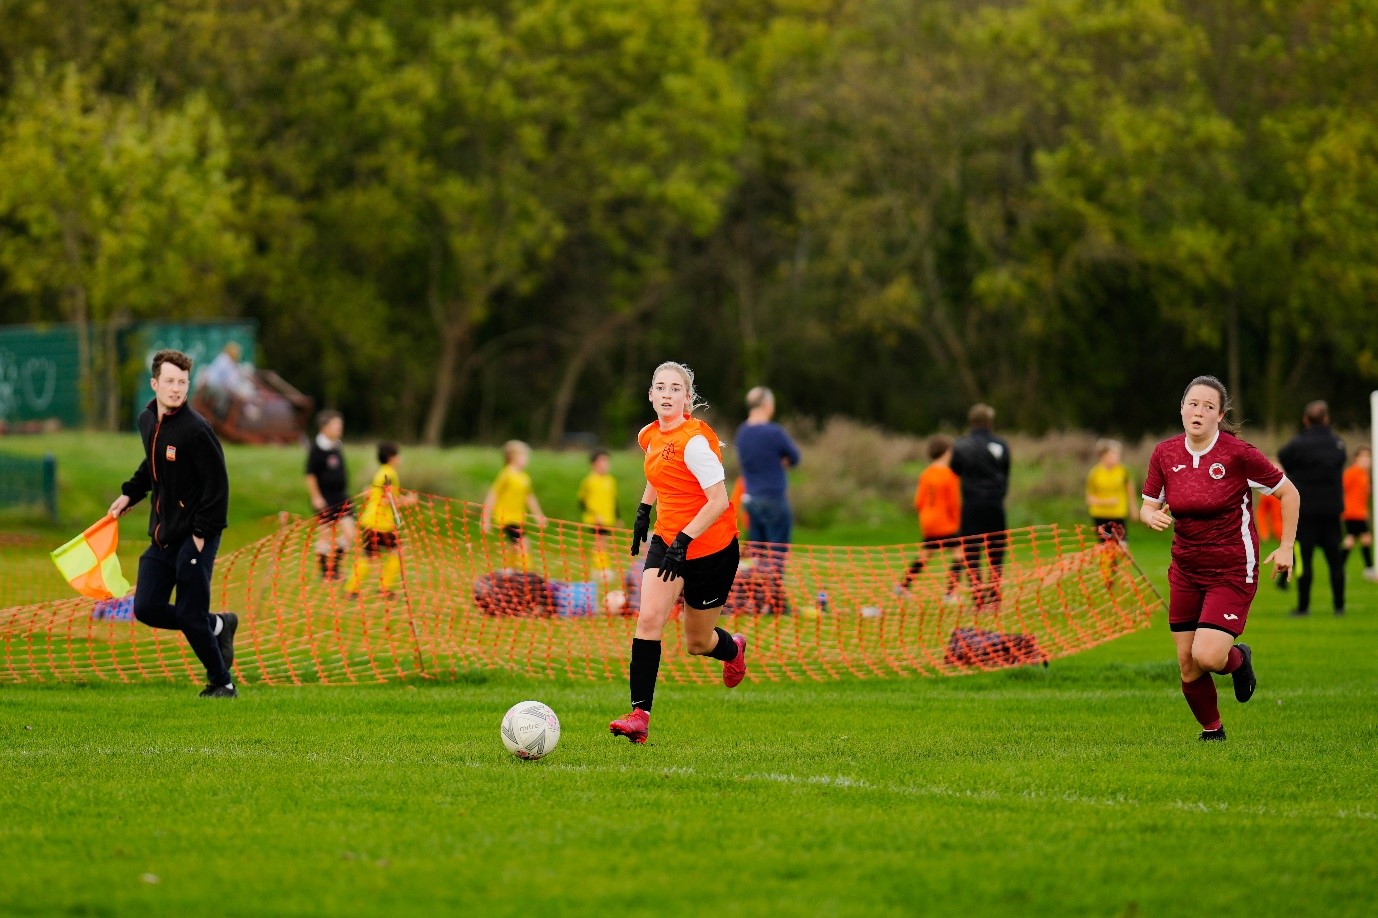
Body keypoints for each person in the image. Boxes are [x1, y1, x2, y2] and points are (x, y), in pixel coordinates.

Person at [1140, 375, 1299, 741]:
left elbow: (1290, 494)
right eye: (1192, 404)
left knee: (1209, 656)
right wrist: (1150, 516)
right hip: (1186, 568)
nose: (1198, 412)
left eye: (1208, 407)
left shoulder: (1238, 454)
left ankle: (1238, 659)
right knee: (1187, 663)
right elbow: (1148, 506)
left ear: (1220, 415)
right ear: (1181, 409)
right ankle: (1213, 730)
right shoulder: (1164, 453)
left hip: (1232, 568)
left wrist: (1287, 546)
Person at [609, 361, 746, 745]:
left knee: (697, 643)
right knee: (649, 618)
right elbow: (660, 473)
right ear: (651, 395)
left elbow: (718, 501)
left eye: (675, 388)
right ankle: (640, 716)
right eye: (660, 387)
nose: (667, 394)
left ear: (687, 399)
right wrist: (642, 509)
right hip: (668, 540)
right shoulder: (648, 435)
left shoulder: (696, 443)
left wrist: (686, 540)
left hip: (713, 548)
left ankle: (733, 648)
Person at [108, 349, 238, 698]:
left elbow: (218, 487)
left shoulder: (197, 430)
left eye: (182, 382)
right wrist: (129, 495)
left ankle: (222, 682)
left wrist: (200, 535)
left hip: (197, 534)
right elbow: (151, 465)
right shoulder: (148, 421)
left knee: (188, 611)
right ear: (155, 383)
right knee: (146, 607)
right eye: (169, 381)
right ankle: (218, 624)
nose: (176, 388)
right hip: (164, 534)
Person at [1279, 400, 1347, 616]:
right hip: (1331, 510)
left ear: (1306, 420)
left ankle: (1303, 606)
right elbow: (1340, 462)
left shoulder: (1298, 444)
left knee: (1304, 559)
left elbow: (1283, 457)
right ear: (1326, 419)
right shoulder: (1337, 444)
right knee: (1335, 560)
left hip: (1305, 511)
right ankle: (1339, 605)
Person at [949, 403, 1011, 605]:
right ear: (989, 422)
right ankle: (994, 595)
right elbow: (1005, 471)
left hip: (971, 504)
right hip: (994, 504)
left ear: (971, 422)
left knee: (971, 550)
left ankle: (977, 598)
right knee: (996, 550)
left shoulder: (960, 445)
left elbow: (955, 469)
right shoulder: (1000, 445)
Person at [734, 386, 801, 569]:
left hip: (751, 499)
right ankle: (775, 596)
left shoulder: (742, 432)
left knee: (757, 557)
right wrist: (781, 461)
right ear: (767, 405)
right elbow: (795, 457)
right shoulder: (774, 432)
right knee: (776, 558)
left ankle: (757, 595)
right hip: (773, 499)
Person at [345, 442, 417, 599]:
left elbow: (375, 494)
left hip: (372, 520)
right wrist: (408, 501)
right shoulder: (389, 474)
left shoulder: (381, 472)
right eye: (398, 455)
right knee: (395, 552)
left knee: (369, 556)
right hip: (380, 523)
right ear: (392, 458)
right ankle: (383, 588)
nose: (400, 458)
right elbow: (387, 500)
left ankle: (352, 589)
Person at [900, 435, 961, 596]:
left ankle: (904, 586)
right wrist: (956, 522)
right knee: (959, 554)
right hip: (945, 522)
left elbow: (918, 502)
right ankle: (950, 593)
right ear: (947, 452)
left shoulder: (925, 474)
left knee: (926, 554)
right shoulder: (949, 476)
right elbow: (953, 504)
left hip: (928, 521)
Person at [481, 440, 546, 570]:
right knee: (523, 544)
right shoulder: (506, 474)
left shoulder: (524, 477)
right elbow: (493, 494)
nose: (527, 459)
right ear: (513, 457)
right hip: (506, 517)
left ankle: (509, 572)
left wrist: (538, 515)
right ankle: (526, 575)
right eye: (524, 456)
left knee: (514, 546)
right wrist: (485, 518)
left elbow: (529, 497)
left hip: (518, 517)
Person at [305, 410, 353, 581]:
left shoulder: (337, 445)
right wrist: (316, 497)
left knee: (349, 532)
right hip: (325, 497)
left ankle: (336, 567)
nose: (339, 428)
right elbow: (310, 475)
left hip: (341, 496)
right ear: (324, 427)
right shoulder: (316, 448)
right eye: (336, 425)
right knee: (325, 534)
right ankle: (325, 571)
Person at [577, 449, 618, 582]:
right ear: (594, 464)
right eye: (602, 461)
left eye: (606, 461)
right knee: (599, 544)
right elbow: (582, 501)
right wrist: (594, 514)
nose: (605, 464)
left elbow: (614, 500)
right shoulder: (589, 481)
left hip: (608, 518)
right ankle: (601, 569)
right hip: (595, 519)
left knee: (604, 544)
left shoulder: (610, 480)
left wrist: (617, 517)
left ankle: (601, 568)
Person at [1085, 439, 1135, 542]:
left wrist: (1133, 507)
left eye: (1118, 454)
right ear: (1103, 455)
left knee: (1122, 545)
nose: (1117, 457)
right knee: (1106, 546)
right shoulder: (1095, 473)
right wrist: (1107, 502)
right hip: (1100, 516)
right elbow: (1089, 499)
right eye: (1113, 454)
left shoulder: (1123, 471)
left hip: (1118, 515)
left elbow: (1129, 488)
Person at [1341, 446, 1375, 581]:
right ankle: (1369, 568)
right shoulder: (1352, 472)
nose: (1367, 460)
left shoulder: (1364, 474)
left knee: (1351, 540)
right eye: (1364, 457)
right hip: (1352, 513)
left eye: (1368, 457)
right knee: (1364, 539)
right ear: (1356, 458)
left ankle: (1339, 568)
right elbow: (1342, 488)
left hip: (1360, 513)